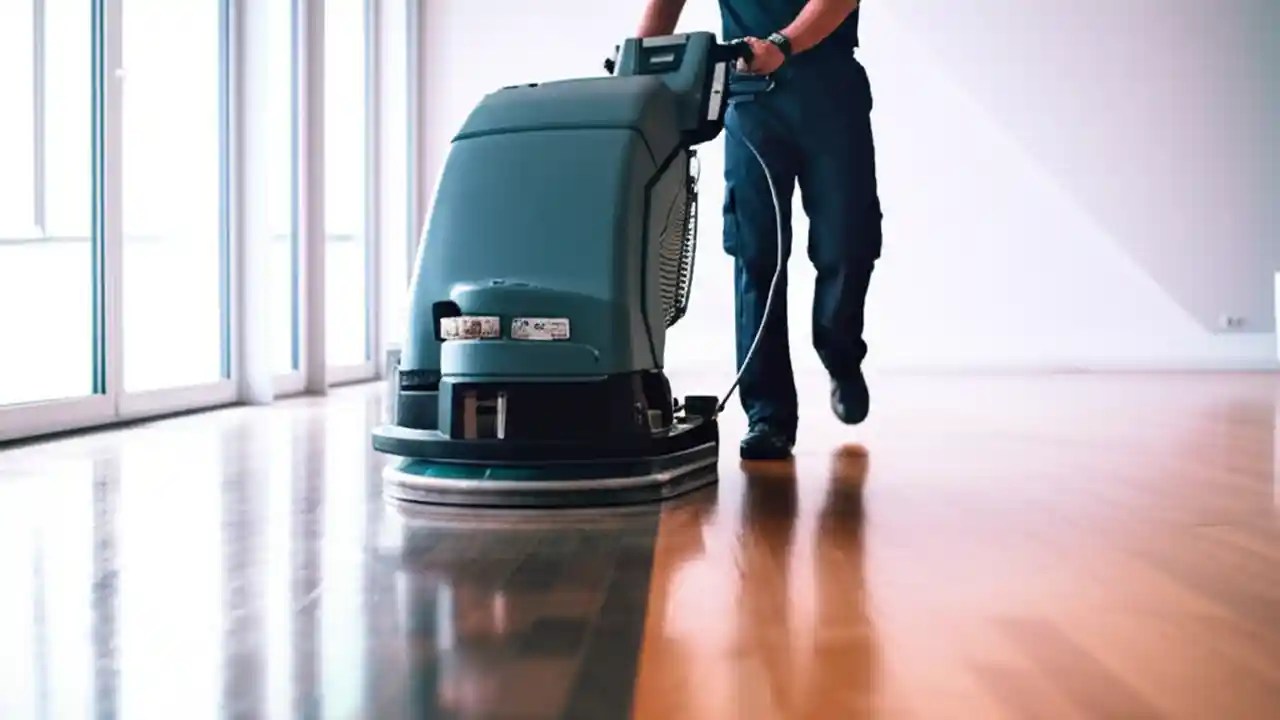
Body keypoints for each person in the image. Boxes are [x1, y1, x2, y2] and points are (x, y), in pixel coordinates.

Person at [636, 0, 882, 459]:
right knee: (756, 255)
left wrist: (782, 44)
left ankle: (841, 351)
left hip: (831, 93)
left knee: (848, 243)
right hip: (752, 98)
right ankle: (767, 415)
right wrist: (638, 65)